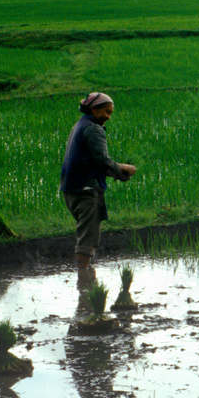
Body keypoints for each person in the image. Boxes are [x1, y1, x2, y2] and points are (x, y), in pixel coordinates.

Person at [59, 92, 137, 278]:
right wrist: (122, 169)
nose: (108, 117)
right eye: (106, 112)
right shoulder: (94, 129)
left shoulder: (79, 125)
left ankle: (84, 275)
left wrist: (117, 173)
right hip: (86, 190)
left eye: (111, 113)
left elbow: (93, 162)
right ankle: (84, 279)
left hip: (71, 189)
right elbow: (102, 161)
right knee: (88, 236)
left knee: (85, 232)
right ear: (94, 109)